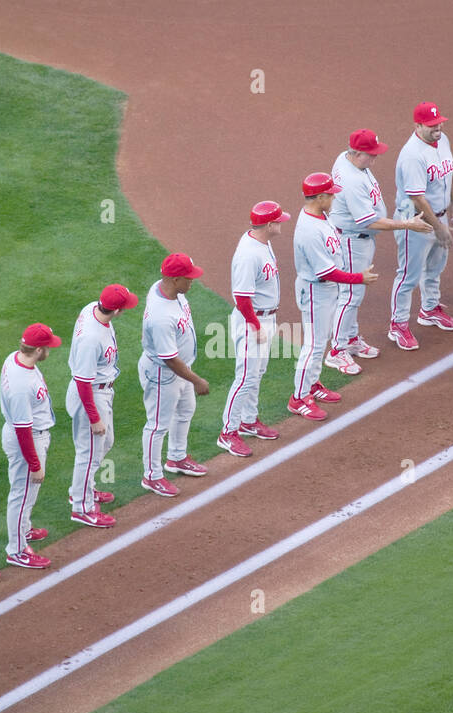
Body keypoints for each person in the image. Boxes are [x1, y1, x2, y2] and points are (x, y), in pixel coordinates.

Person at [326, 129, 430, 370]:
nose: (375, 159)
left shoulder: (346, 159)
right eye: (370, 155)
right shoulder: (351, 181)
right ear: (356, 152)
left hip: (356, 238)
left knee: (353, 293)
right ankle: (337, 349)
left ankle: (350, 339)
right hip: (352, 240)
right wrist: (407, 224)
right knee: (350, 295)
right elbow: (368, 221)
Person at [291, 172, 379, 420]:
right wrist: (358, 278)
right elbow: (326, 271)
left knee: (320, 342)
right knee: (314, 345)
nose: (334, 197)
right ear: (319, 197)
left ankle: (312, 384)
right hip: (315, 290)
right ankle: (298, 398)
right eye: (330, 194)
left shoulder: (321, 216)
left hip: (324, 290)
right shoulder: (309, 230)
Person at [388, 102, 453, 350]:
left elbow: (447, 173)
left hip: (438, 215)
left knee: (435, 267)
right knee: (408, 275)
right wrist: (439, 228)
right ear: (417, 126)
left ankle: (429, 309)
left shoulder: (443, 140)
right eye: (431, 125)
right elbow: (417, 198)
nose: (437, 128)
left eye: (439, 122)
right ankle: (397, 325)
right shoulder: (412, 155)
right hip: (416, 221)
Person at [219, 201, 289, 458]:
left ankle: (249, 420)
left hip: (265, 318)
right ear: (269, 225)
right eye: (279, 220)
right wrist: (256, 325)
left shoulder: (262, 242)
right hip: (252, 321)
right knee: (246, 376)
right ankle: (227, 432)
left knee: (257, 372)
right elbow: (242, 298)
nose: (282, 223)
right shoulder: (249, 254)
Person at [139, 254, 211, 498]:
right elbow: (169, 358)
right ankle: (152, 475)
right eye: (188, 279)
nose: (192, 282)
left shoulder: (168, 291)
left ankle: (177, 457)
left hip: (181, 370)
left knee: (185, 411)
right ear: (175, 279)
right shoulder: (161, 316)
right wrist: (197, 380)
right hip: (163, 374)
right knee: (158, 425)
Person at [68, 284, 139, 528]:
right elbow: (82, 382)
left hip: (101, 391)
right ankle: (81, 507)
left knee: (105, 443)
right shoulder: (91, 338)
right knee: (88, 453)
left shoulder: (91, 309)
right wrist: (94, 417)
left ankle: (81, 488)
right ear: (116, 310)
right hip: (90, 395)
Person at [0, 324, 63, 569]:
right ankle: (15, 550)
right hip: (26, 438)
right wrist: (35, 464)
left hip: (26, 433)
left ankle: (24, 529)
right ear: (37, 350)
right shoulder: (21, 385)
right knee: (22, 493)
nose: (50, 350)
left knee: (24, 493)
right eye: (47, 347)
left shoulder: (15, 359)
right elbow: (23, 430)